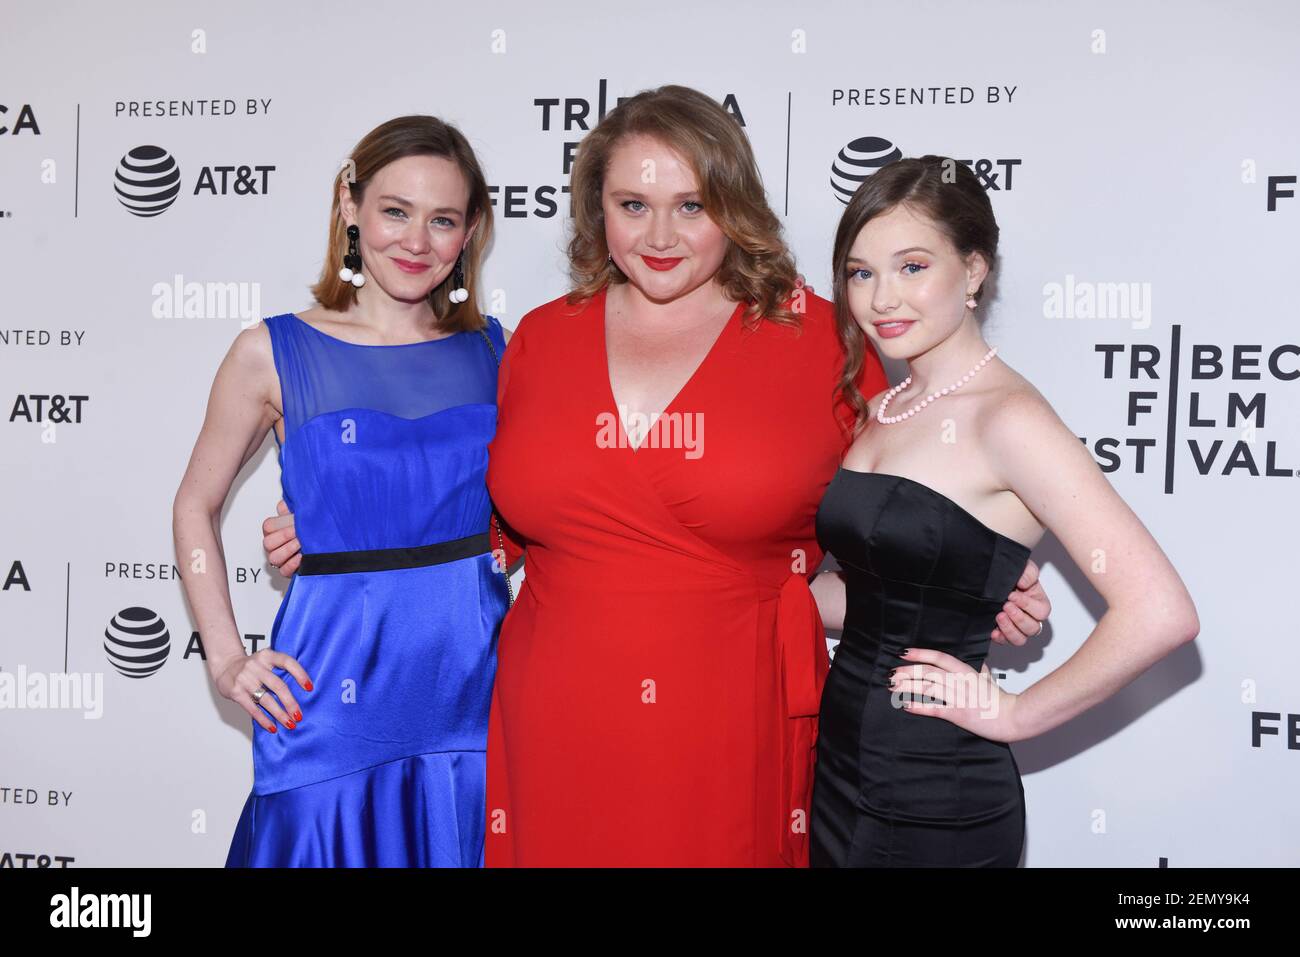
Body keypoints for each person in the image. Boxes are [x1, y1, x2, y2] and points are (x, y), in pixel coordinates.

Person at [261, 88, 1051, 867]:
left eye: (692, 205)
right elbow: (474, 509)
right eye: (632, 205)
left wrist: (975, 573)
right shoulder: (536, 341)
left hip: (733, 722)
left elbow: (917, 485)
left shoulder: (819, 337)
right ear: (596, 210)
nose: (661, 235)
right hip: (553, 718)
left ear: (733, 206)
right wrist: (343, 527)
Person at [809, 155, 1199, 867]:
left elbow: (1160, 610)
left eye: (913, 266)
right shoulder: (880, 407)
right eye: (861, 272)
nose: (882, 298)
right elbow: (869, 598)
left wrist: (1015, 713)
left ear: (975, 271)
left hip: (937, 791)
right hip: (839, 768)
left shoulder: (1008, 419)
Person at [172, 115, 510, 867]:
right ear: (349, 206)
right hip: (327, 699)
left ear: (471, 232)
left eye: (442, 219)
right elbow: (194, 504)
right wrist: (226, 658)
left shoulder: (496, 350)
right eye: (395, 211)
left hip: (473, 701)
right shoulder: (271, 351)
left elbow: (536, 510)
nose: (416, 241)